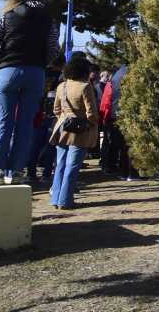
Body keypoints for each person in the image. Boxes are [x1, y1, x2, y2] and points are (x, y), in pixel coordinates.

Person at [0, 0, 60, 185]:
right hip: (35, 74)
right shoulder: (47, 18)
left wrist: (2, 63)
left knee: (4, 122)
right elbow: (54, 48)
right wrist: (42, 64)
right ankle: (15, 171)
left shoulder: (8, 15)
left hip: (7, 72)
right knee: (25, 125)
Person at [49, 54, 100, 210]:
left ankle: (56, 198)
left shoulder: (61, 86)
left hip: (62, 129)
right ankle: (65, 200)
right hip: (80, 131)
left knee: (60, 165)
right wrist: (91, 123)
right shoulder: (85, 87)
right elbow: (91, 113)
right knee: (72, 166)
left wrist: (65, 118)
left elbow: (56, 109)